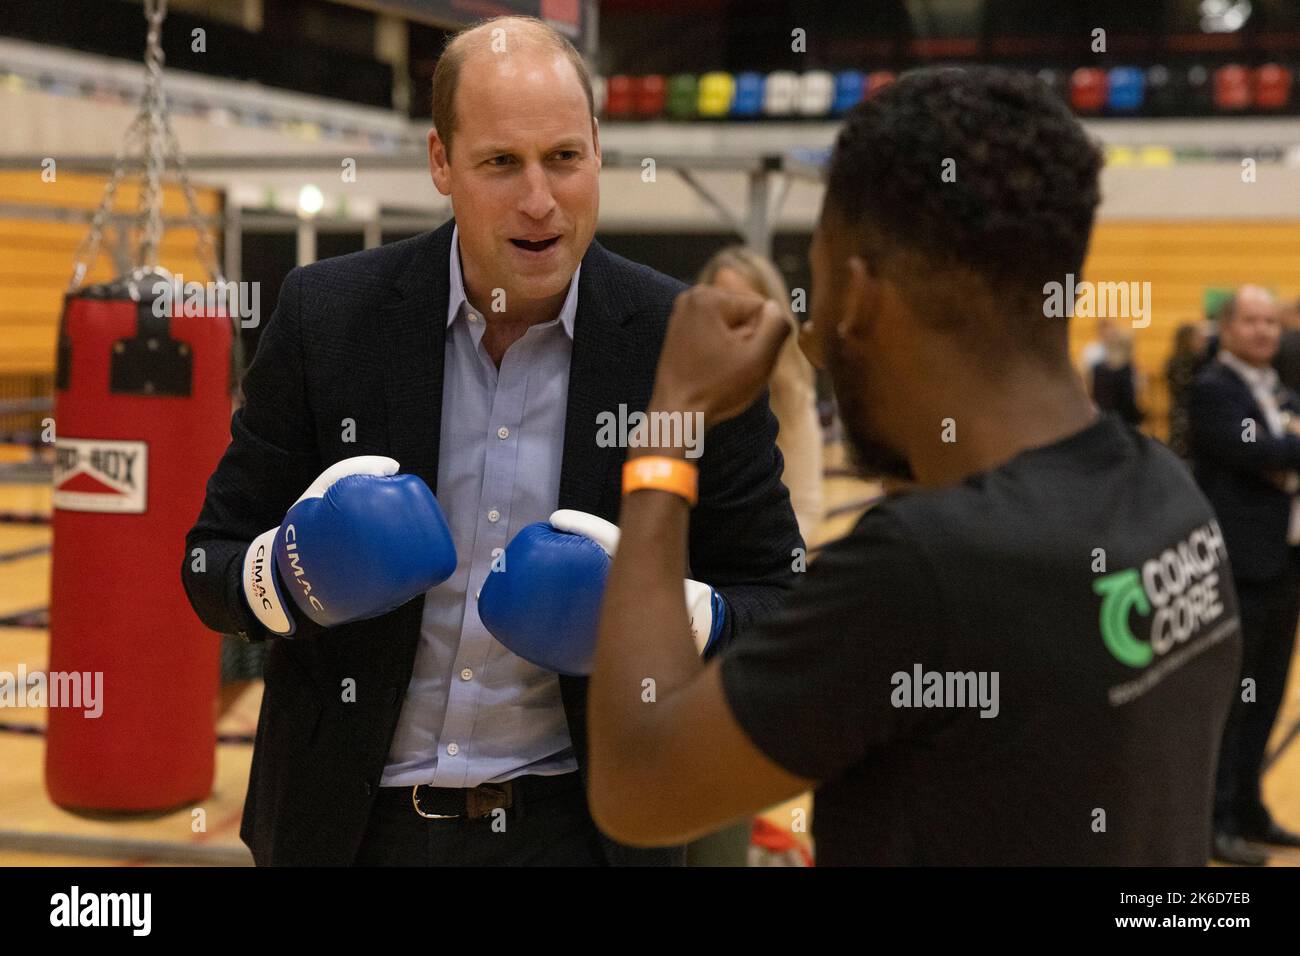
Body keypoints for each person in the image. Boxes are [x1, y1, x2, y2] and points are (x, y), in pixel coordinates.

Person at [181, 15, 801, 867]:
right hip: (350, 831)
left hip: (584, 834)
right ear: (442, 162)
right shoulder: (329, 319)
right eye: (501, 162)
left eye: (563, 158)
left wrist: (672, 615)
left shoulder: (681, 342)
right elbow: (207, 564)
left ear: (597, 150)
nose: (539, 200)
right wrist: (286, 574)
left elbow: (780, 601)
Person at [585, 67, 1240, 865]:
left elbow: (637, 786)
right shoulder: (1167, 495)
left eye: (815, 288)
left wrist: (669, 427)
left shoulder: (922, 568)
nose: (813, 337)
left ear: (857, 296)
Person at [1190, 283, 1300, 865]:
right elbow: (1251, 452)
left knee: (1268, 693)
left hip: (1283, 562)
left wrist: (1285, 450)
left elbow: (1281, 451)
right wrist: (1285, 450)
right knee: (1234, 699)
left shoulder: (1277, 386)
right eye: (1252, 322)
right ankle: (1218, 818)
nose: (1264, 331)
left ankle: (1252, 810)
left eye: (1270, 323)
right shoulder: (1214, 387)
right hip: (1242, 564)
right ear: (1227, 328)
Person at [699, 248, 823, 543]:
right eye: (725, 306)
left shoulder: (793, 398)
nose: (738, 322)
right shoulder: (679, 387)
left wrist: (769, 558)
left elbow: (806, 507)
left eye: (750, 308)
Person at [1165, 322, 1208, 460]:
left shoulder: (1199, 361)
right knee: (1182, 454)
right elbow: (1189, 389)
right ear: (1187, 340)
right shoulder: (1179, 363)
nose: (1202, 342)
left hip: (1192, 414)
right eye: (1198, 338)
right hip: (1183, 415)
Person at [1090, 331, 1143, 426]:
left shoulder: (1098, 368)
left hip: (1102, 419)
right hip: (1122, 421)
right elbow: (1128, 400)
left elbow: (1094, 395)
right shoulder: (1126, 369)